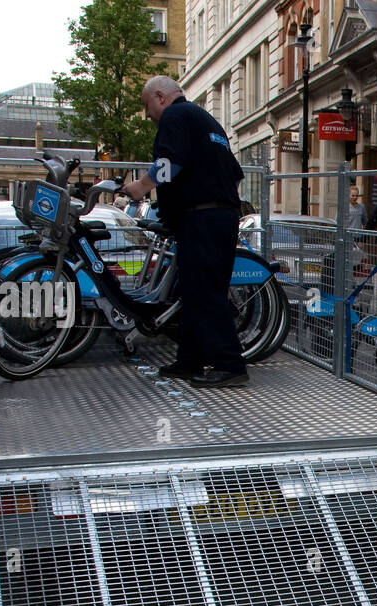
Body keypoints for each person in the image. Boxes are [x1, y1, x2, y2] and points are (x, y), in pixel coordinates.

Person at [121, 76, 247, 387]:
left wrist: (141, 186)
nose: (147, 114)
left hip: (202, 218)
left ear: (160, 97)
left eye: (146, 105)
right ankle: (190, 360)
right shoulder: (208, 122)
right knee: (192, 293)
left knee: (205, 293)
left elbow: (169, 164)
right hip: (218, 216)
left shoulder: (175, 116)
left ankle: (230, 365)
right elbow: (235, 173)